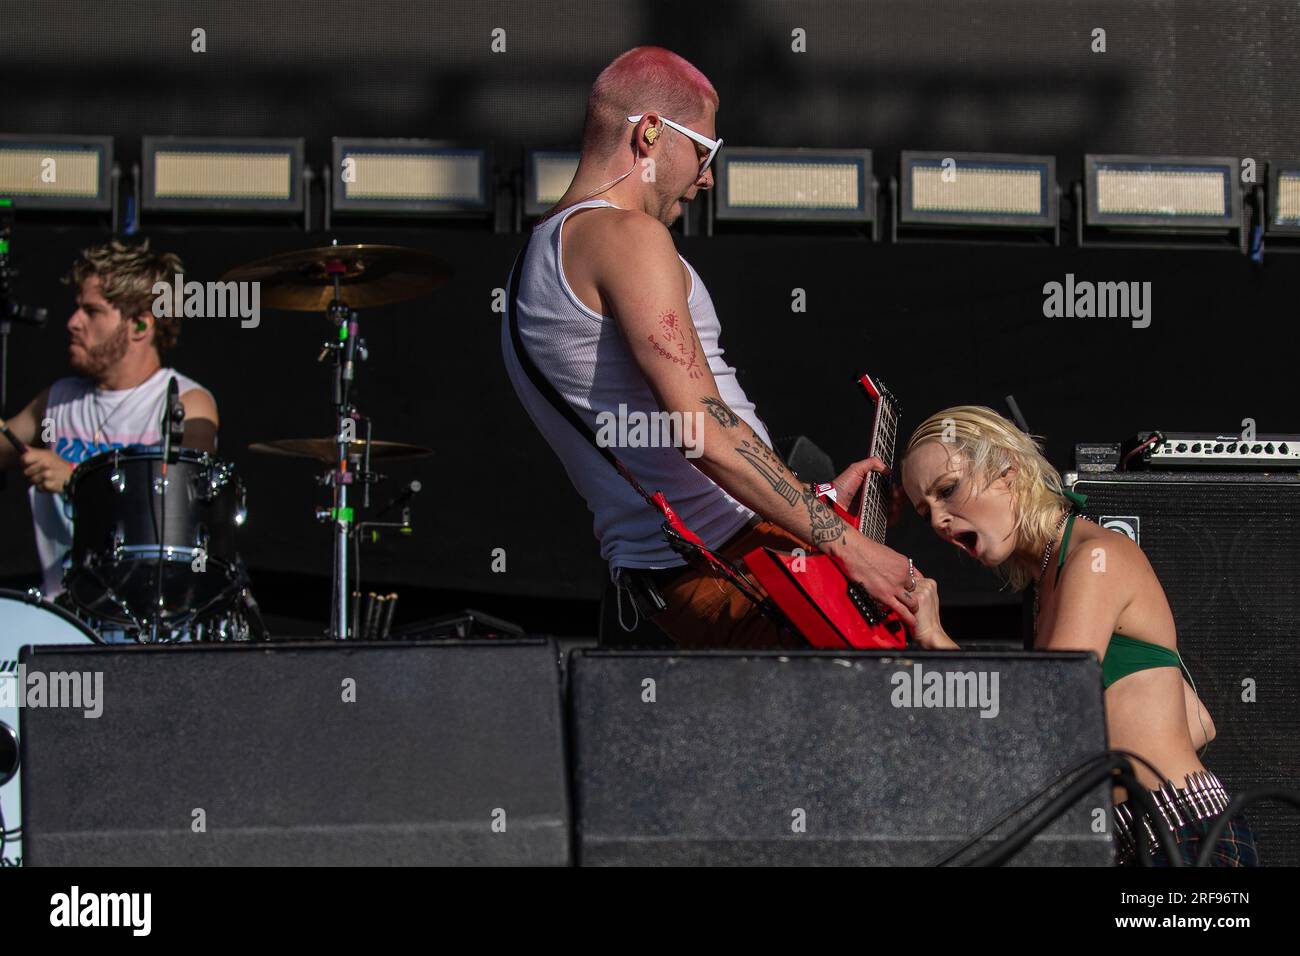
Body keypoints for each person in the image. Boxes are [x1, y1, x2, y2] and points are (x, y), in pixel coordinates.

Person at [502, 46, 916, 648]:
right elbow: (705, 430)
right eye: (704, 150)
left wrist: (811, 500)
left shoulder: (533, 259)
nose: (708, 176)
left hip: (680, 578)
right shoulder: (626, 236)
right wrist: (849, 545)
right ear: (649, 134)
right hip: (732, 574)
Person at [898, 405, 1258, 866]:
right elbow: (1199, 719)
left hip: (1182, 835)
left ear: (1007, 469)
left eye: (948, 491)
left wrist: (937, 640)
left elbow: (1047, 717)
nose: (937, 521)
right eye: (924, 511)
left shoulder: (1093, 560)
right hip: (1132, 838)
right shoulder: (1048, 582)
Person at [0, 238, 219, 598]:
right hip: (60, 618)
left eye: (92, 311)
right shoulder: (57, 401)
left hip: (145, 615)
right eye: (76, 308)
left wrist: (74, 481)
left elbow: (178, 509)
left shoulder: (185, 403)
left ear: (139, 326)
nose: (72, 322)